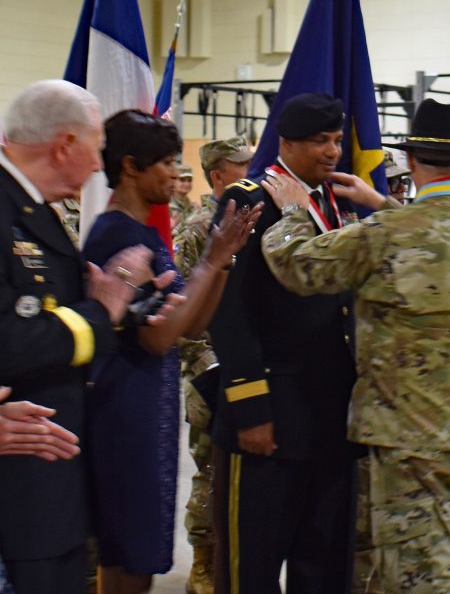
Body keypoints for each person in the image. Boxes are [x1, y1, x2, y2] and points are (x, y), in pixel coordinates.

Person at [261, 98, 450, 594]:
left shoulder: (384, 235)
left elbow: (298, 265)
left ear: (411, 162)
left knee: (416, 579)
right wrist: (383, 205)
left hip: (412, 442)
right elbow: (437, 236)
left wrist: (295, 211)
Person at [209, 93, 384, 594]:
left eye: (335, 141)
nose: (331, 152)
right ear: (285, 142)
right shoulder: (250, 200)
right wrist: (250, 407)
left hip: (331, 413)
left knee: (326, 564)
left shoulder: (336, 199)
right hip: (273, 415)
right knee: (253, 566)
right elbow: (231, 309)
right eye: (318, 142)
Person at [82, 110, 261, 594]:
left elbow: (193, 322)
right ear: (130, 167)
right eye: (163, 162)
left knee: (137, 552)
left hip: (147, 405)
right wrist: (213, 259)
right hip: (123, 410)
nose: (174, 174)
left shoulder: (145, 232)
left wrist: (220, 263)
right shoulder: (117, 235)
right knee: (127, 552)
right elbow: (158, 336)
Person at [0, 80, 163, 594]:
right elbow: (10, 341)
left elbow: (51, 307)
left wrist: (128, 307)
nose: (99, 166)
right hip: (22, 476)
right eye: (95, 149)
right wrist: (101, 312)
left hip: (51, 469)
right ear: (65, 145)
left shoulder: (33, 209)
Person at [174, 137, 252, 594]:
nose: (249, 171)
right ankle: (204, 560)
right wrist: (208, 368)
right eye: (239, 165)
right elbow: (185, 310)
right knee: (210, 471)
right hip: (211, 370)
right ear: (217, 174)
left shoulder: (254, 217)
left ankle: (234, 560)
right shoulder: (202, 227)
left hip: (249, 366)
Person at [170, 164, 199, 231]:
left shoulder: (194, 207)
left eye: (189, 180)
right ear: (173, 182)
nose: (187, 184)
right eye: (182, 180)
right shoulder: (167, 208)